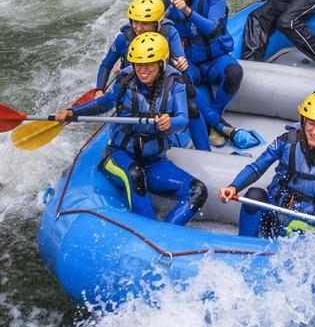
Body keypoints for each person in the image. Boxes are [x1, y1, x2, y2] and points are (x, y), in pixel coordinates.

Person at [56, 32, 206, 225]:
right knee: (135, 174)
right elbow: (103, 104)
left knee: (198, 190)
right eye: (137, 64)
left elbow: (183, 119)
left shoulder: (175, 83)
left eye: (148, 64)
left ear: (161, 63)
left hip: (155, 161)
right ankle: (150, 230)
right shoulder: (125, 81)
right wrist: (71, 113)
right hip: (118, 156)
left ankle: (164, 233)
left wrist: (171, 123)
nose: (142, 70)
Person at [217, 92, 315, 237]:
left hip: (312, 225)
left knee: (298, 228)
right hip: (276, 213)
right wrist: (233, 187)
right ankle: (245, 247)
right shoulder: (286, 141)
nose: (314, 131)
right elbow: (257, 168)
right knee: (254, 196)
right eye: (310, 123)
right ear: (303, 122)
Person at [95, 0, 210, 150]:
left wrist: (182, 65)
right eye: (135, 22)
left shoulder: (169, 33)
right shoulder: (124, 39)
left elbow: (180, 61)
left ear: (157, 24)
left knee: (192, 108)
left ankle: (206, 146)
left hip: (161, 86)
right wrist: (99, 89)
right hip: (134, 88)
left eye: (145, 24)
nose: (138, 28)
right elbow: (106, 65)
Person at [162, 0, 243, 145]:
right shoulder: (169, 2)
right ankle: (218, 124)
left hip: (216, 58)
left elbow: (213, 29)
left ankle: (213, 117)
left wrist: (188, 11)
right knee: (180, 81)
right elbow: (152, 28)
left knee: (234, 72)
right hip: (191, 62)